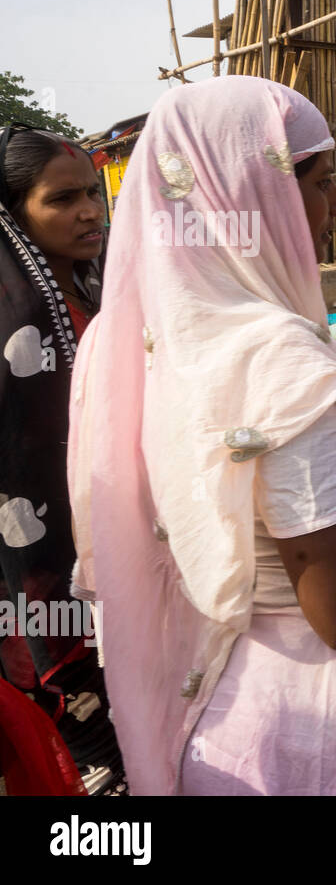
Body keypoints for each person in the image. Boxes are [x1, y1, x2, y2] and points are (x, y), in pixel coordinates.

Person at [66, 76, 336, 795]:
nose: (332, 207)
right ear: (250, 196)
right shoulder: (276, 361)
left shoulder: (128, 339)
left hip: (211, 707)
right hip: (312, 733)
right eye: (321, 183)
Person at [0, 123, 124, 793]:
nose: (88, 211)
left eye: (92, 195)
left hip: (127, 554)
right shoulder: (7, 323)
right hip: (42, 576)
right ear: (14, 213)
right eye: (62, 199)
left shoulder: (102, 290)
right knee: (91, 762)